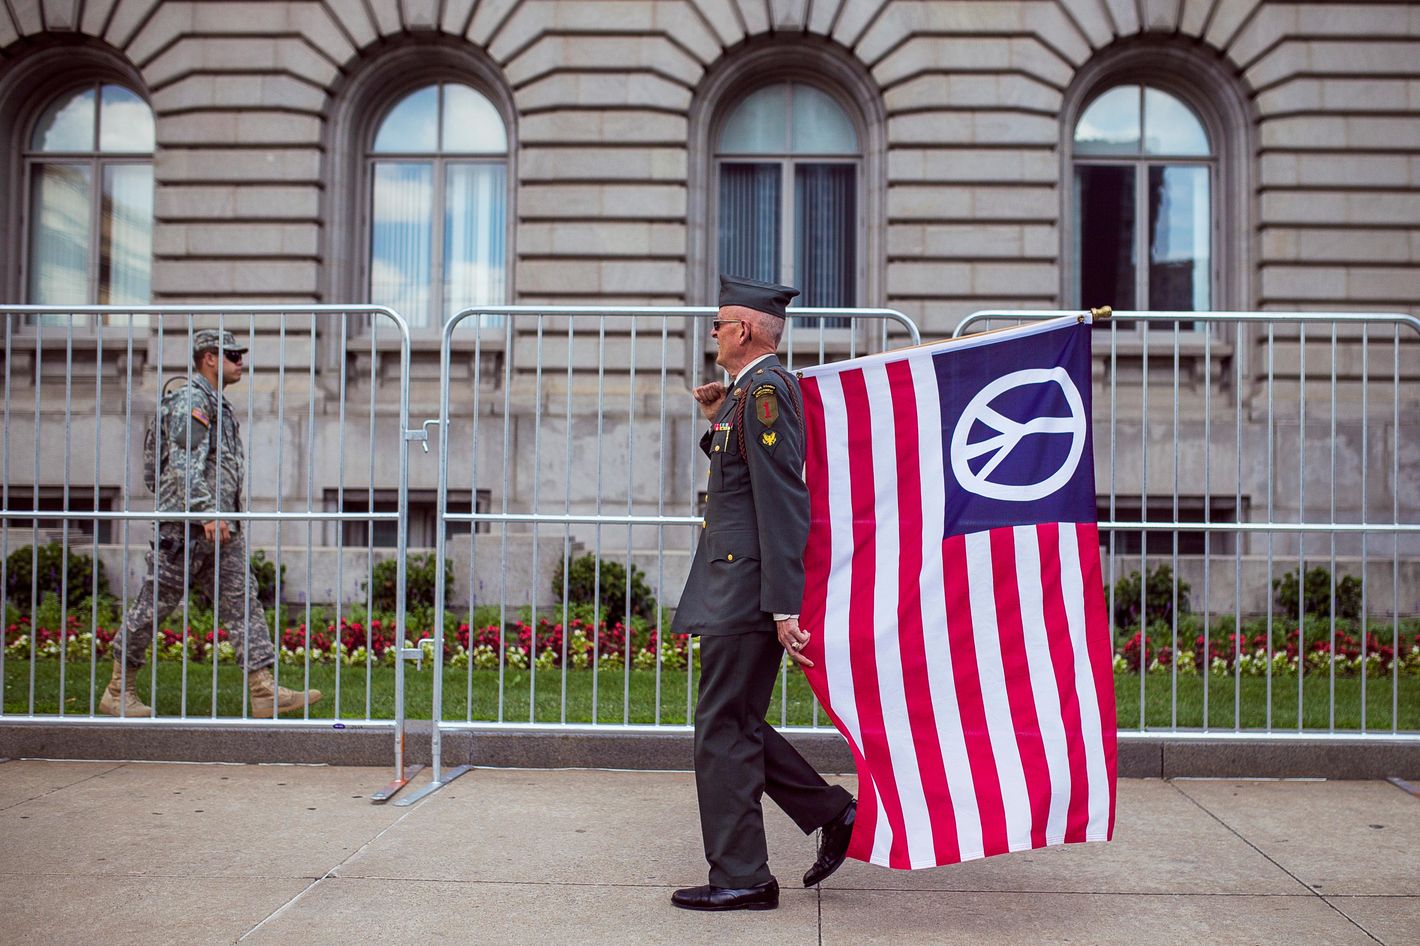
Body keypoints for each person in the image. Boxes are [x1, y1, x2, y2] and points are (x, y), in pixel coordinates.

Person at [669, 274, 857, 912]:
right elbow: (742, 475)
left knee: (722, 726)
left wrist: (783, 605)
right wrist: (719, 415)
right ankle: (832, 812)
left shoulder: (768, 391)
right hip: (738, 579)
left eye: (719, 324)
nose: (713, 334)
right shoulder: (750, 394)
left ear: (744, 330)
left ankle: (743, 876)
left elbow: (782, 501)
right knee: (735, 721)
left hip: (745, 587)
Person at [100, 329, 321, 719]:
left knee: (242, 603)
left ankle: (263, 691)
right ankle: (119, 690)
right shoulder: (192, 399)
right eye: (233, 354)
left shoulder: (215, 402)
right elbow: (185, 462)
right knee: (153, 607)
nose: (241, 362)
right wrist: (205, 510)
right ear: (210, 358)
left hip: (220, 528)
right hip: (188, 527)